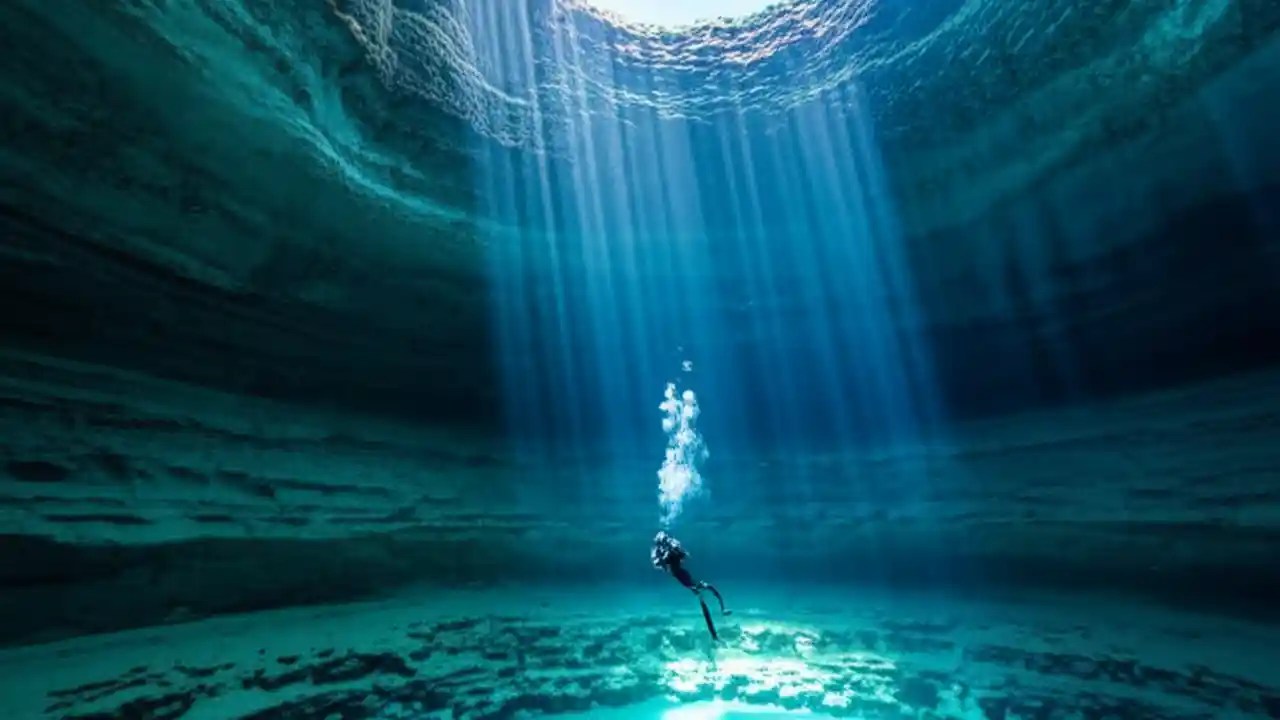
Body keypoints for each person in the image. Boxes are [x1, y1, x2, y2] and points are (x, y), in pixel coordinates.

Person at [651, 530, 731, 640]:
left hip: (681, 574)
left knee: (700, 590)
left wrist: (674, 554)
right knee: (699, 590)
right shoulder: (659, 552)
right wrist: (665, 558)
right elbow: (660, 565)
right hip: (680, 575)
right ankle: (717, 624)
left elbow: (685, 556)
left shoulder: (672, 547)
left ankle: (721, 612)